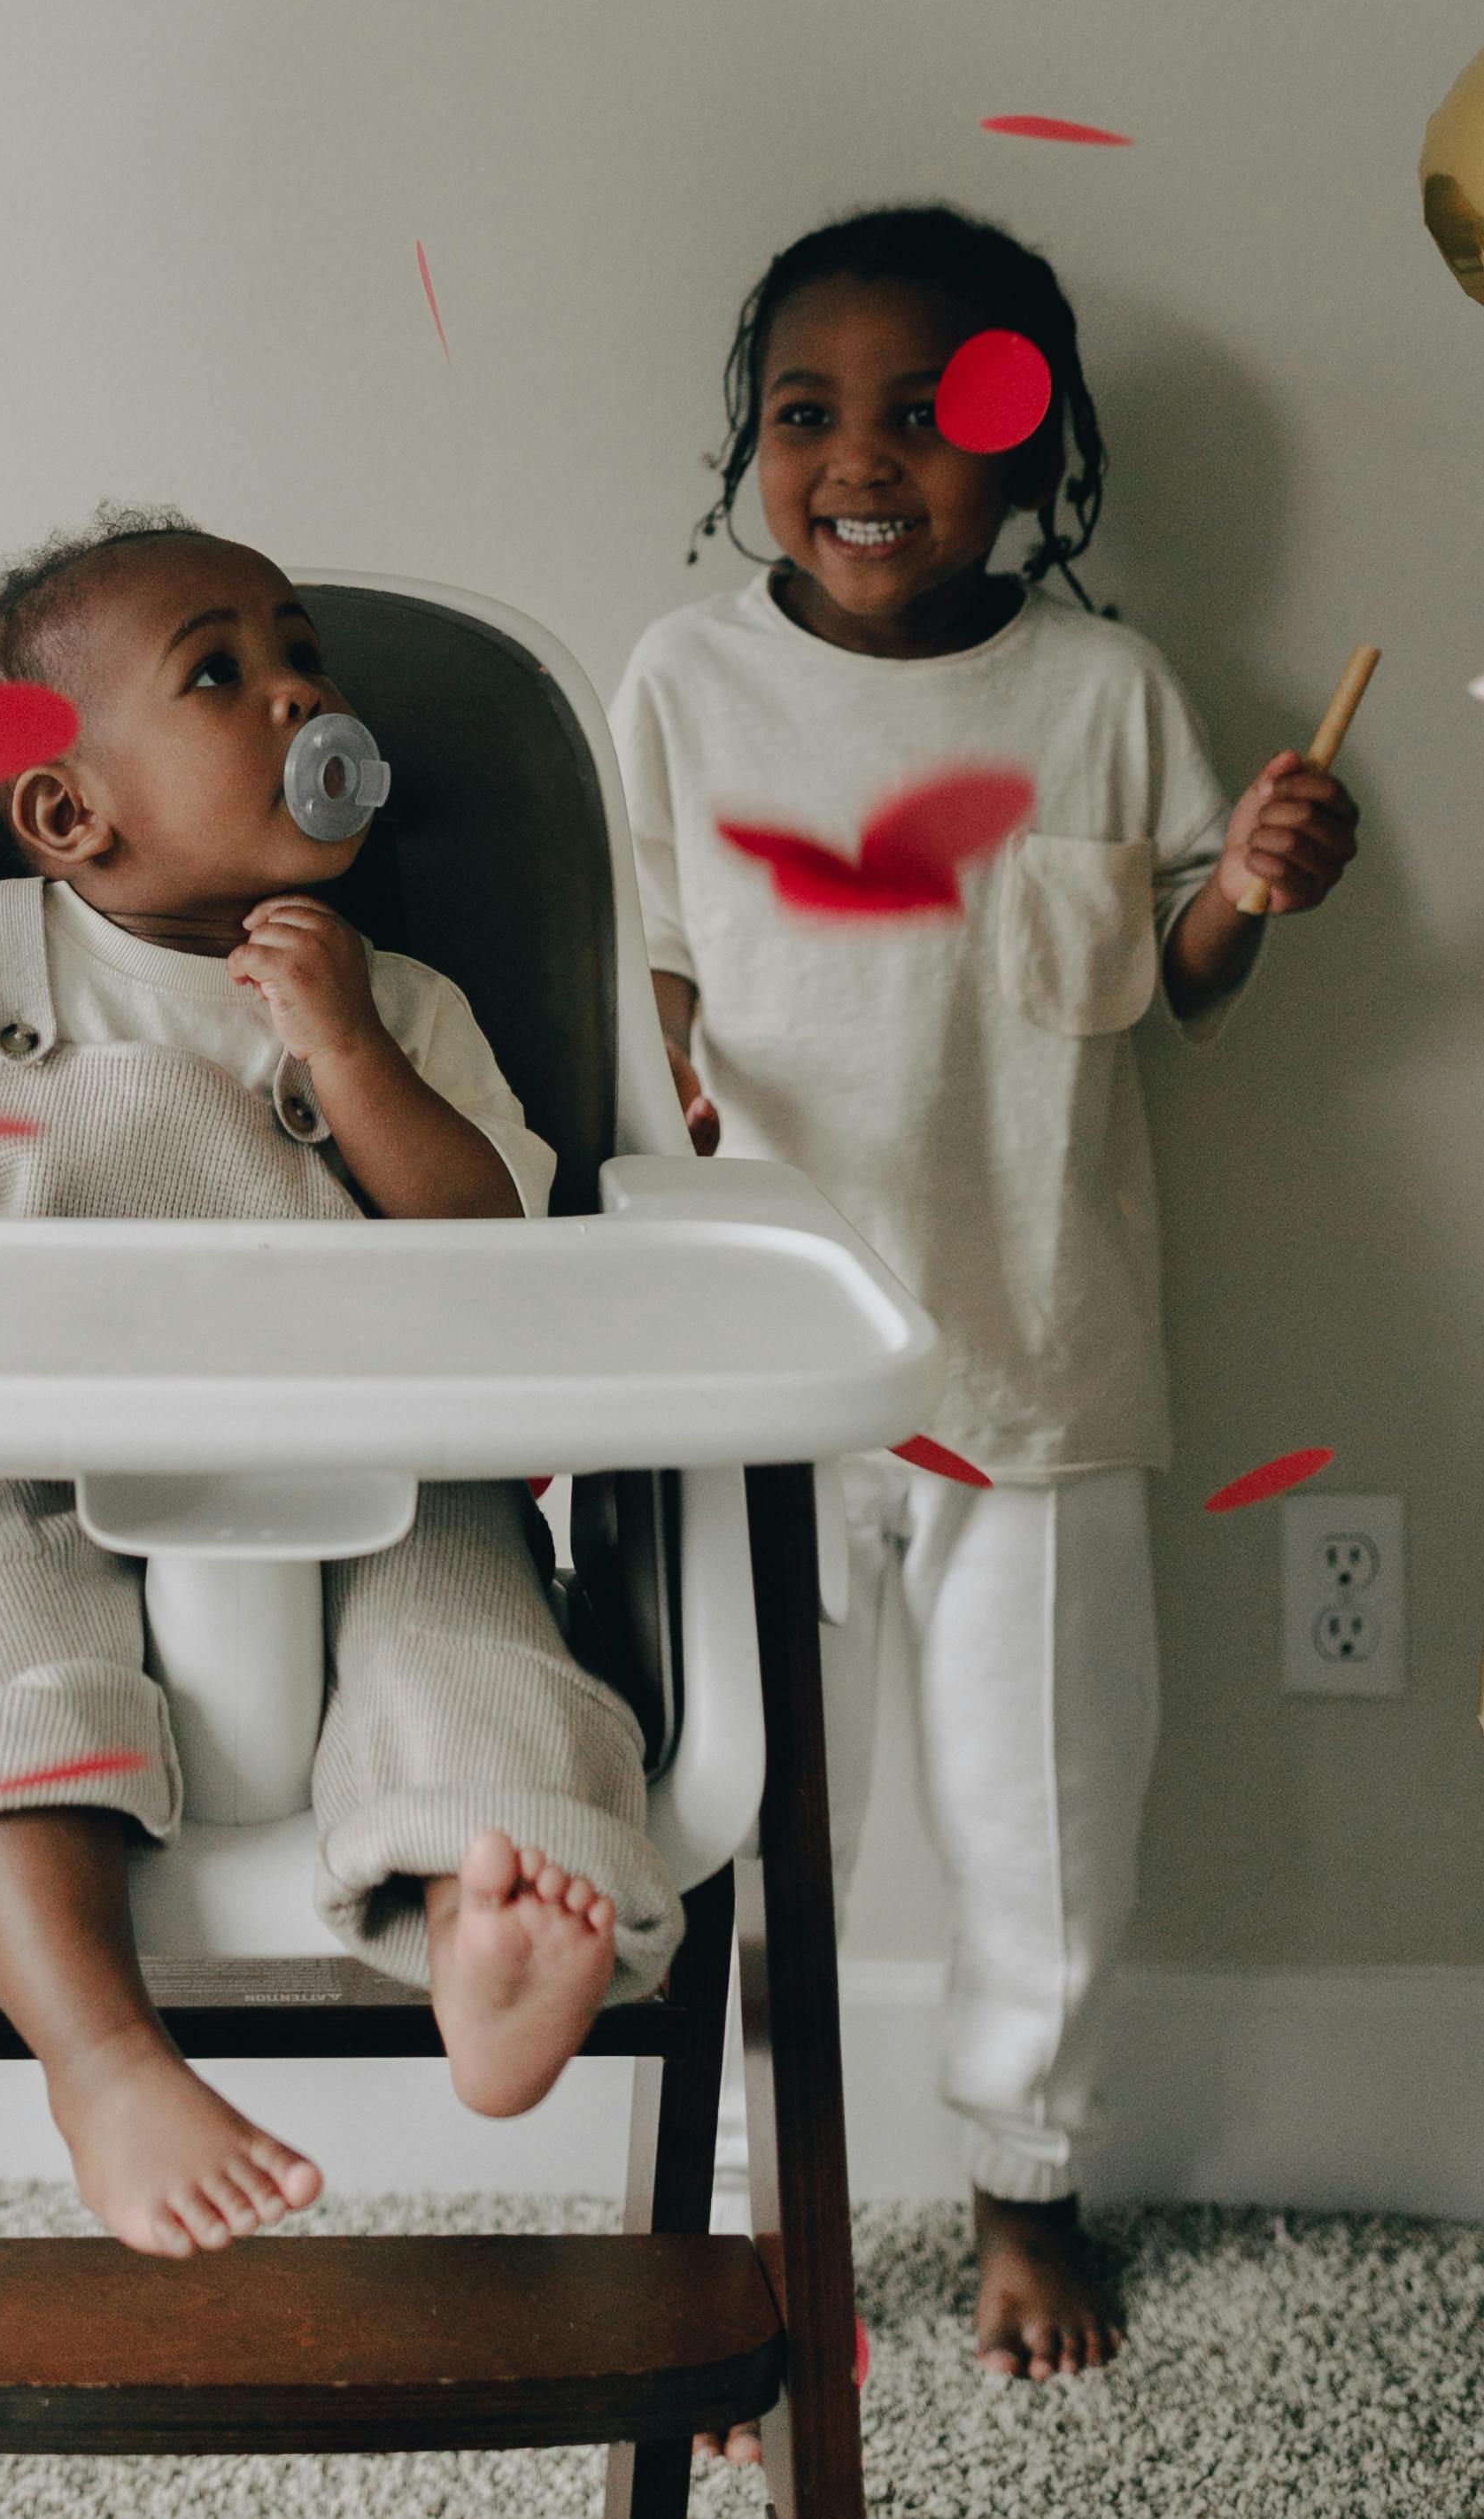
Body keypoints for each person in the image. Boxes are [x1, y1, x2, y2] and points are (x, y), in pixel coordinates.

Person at [0, 513, 678, 2257]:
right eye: (221, 670)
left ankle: (493, 1917)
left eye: (301, 650)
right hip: (29, 1463)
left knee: (483, 1646)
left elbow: (491, 1234)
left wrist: (352, 1051)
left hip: (386, 1477)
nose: (298, 685)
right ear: (72, 813)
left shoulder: (407, 1001)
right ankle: (100, 2055)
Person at [611, 201, 1357, 2432]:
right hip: (762, 1376)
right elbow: (641, 960)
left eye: (937, 418)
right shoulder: (680, 682)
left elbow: (1177, 997)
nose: (866, 458)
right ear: (753, 443)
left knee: (1051, 1818)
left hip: (1043, 1362)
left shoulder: (1108, 694)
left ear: (1040, 457)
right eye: (810, 411)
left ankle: (1029, 2174)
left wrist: (1248, 893)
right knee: (750, 1810)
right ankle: (769, 2195)